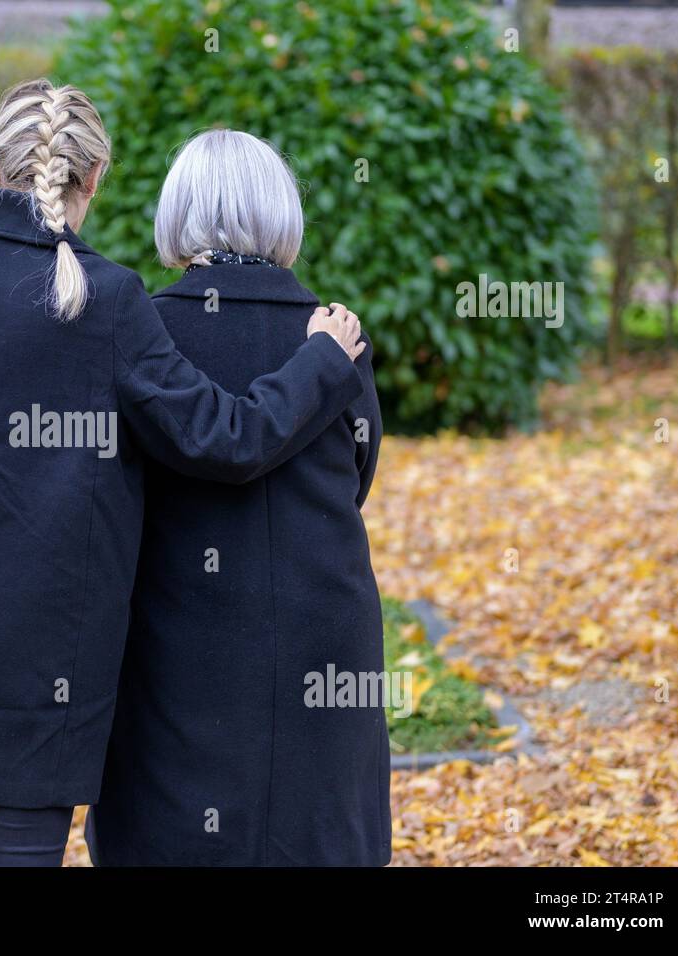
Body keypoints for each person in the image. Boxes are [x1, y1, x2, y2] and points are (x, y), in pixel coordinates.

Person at [0, 82, 365, 866]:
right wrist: (323, 363)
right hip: (41, 640)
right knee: (24, 847)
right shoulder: (108, 299)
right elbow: (226, 441)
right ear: (91, 182)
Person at [87, 130, 388, 866]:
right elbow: (359, 472)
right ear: (281, 214)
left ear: (177, 214)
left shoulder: (144, 332)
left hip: (177, 630)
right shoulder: (336, 336)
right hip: (324, 623)